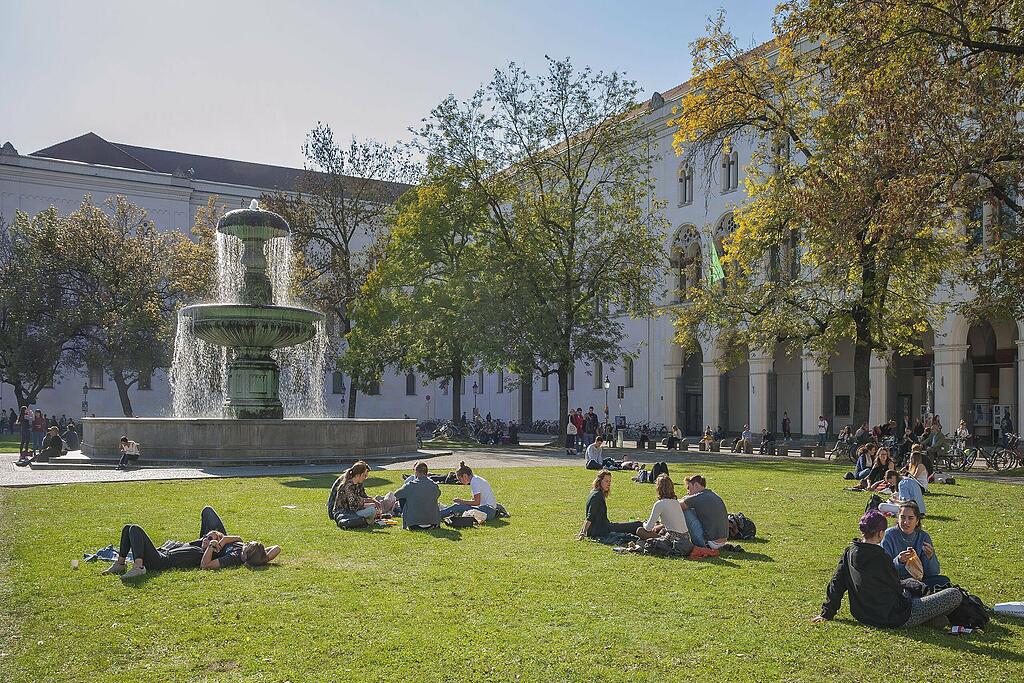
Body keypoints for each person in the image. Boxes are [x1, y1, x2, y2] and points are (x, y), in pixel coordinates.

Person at [813, 510, 962, 628]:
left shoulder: (849, 553)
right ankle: (931, 618)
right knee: (954, 594)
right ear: (880, 533)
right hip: (895, 616)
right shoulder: (881, 557)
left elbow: (836, 584)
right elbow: (896, 589)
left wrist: (827, 613)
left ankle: (934, 619)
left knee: (916, 591)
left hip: (863, 615)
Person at [102, 506, 279, 580]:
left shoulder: (233, 557)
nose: (247, 543)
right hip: (215, 544)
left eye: (249, 545)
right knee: (207, 510)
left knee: (134, 529)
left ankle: (139, 567)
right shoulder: (243, 548)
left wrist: (211, 544)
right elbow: (275, 548)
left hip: (164, 558)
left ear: (246, 554)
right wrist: (222, 539)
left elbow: (206, 565)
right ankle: (120, 563)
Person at [882, 501, 949, 587]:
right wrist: (899, 561)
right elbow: (884, 570)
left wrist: (930, 557)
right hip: (897, 581)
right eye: (902, 518)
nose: (906, 522)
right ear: (898, 518)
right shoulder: (889, 536)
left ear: (917, 521)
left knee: (944, 580)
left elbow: (933, 573)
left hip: (919, 581)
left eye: (910, 518)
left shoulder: (923, 537)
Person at [576, 469, 641, 540]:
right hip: (600, 530)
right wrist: (583, 532)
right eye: (606, 481)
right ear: (600, 481)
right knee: (636, 525)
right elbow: (590, 516)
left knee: (632, 525)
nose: (609, 484)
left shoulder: (595, 492)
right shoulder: (597, 496)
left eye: (610, 481)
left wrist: (583, 531)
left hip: (602, 527)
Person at [679, 474, 730, 549]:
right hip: (722, 541)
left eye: (689, 487)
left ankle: (674, 535)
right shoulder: (711, 494)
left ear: (696, 485)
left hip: (710, 543)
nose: (688, 492)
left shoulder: (699, 497)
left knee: (686, 511)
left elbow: (678, 506)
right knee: (691, 510)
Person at [635, 474, 690, 541]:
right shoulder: (676, 502)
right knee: (658, 527)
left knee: (640, 531)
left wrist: (644, 523)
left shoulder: (660, 504)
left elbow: (648, 528)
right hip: (685, 538)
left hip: (673, 539)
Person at [393, 462, 442, 529]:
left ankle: (405, 519)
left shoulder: (410, 485)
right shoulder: (434, 486)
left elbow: (396, 495)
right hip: (432, 523)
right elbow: (438, 494)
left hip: (414, 524)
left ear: (416, 473)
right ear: (427, 473)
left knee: (403, 498)